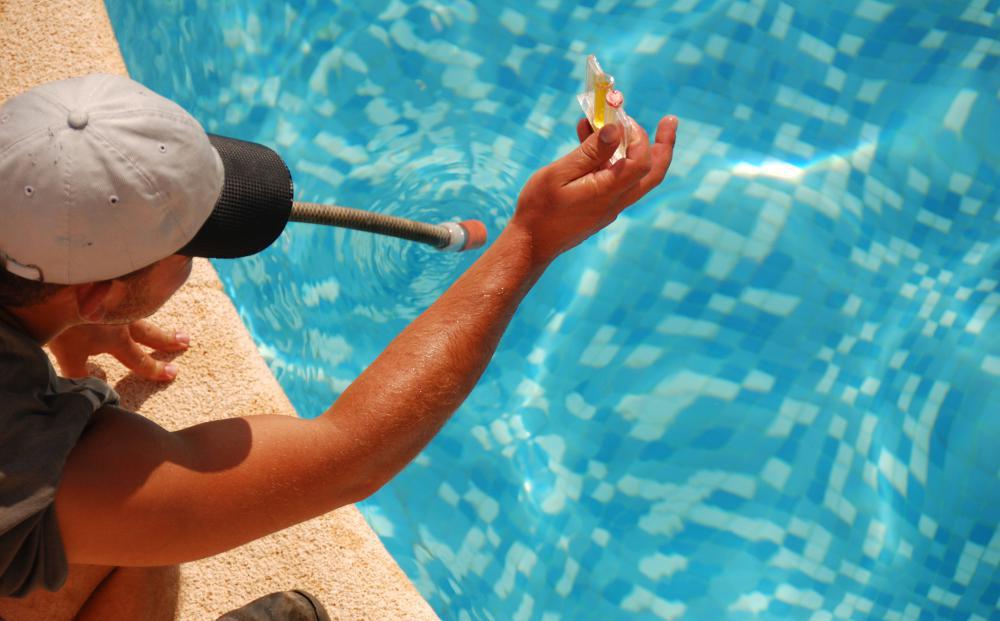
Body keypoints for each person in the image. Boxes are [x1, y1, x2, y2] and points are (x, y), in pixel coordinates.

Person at [0, 73, 677, 620]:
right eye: (188, 246)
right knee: (147, 515)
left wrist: (72, 311)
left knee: (122, 536)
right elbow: (348, 453)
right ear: (95, 291)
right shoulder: (27, 460)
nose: (198, 261)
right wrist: (530, 241)